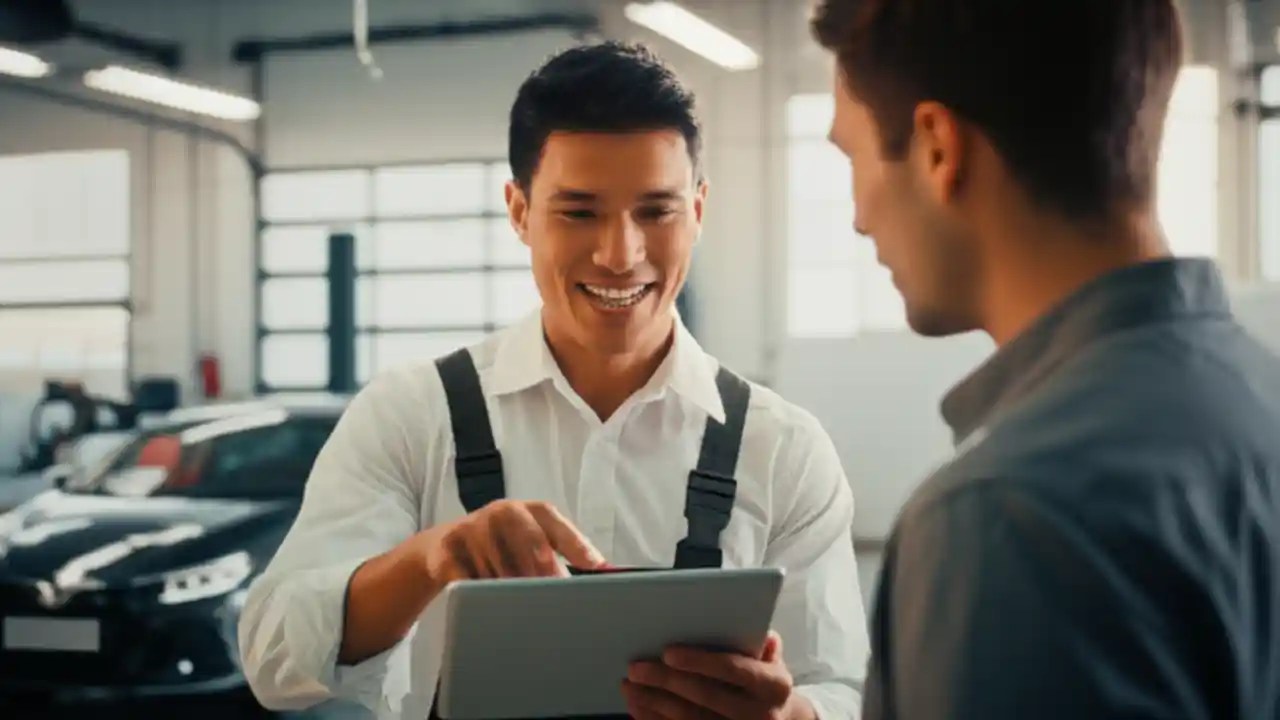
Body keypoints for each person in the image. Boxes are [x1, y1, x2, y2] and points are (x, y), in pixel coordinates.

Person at [238, 41, 870, 720]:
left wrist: (789, 714)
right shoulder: (412, 416)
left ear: (698, 210)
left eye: (655, 211)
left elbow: (846, 690)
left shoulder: (782, 450)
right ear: (518, 211)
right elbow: (272, 660)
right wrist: (426, 562)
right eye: (579, 212)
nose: (620, 255)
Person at [811, 1, 1280, 718]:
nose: (858, 216)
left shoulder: (1006, 519)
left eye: (853, 156)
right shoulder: (1257, 395)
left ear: (938, 148)